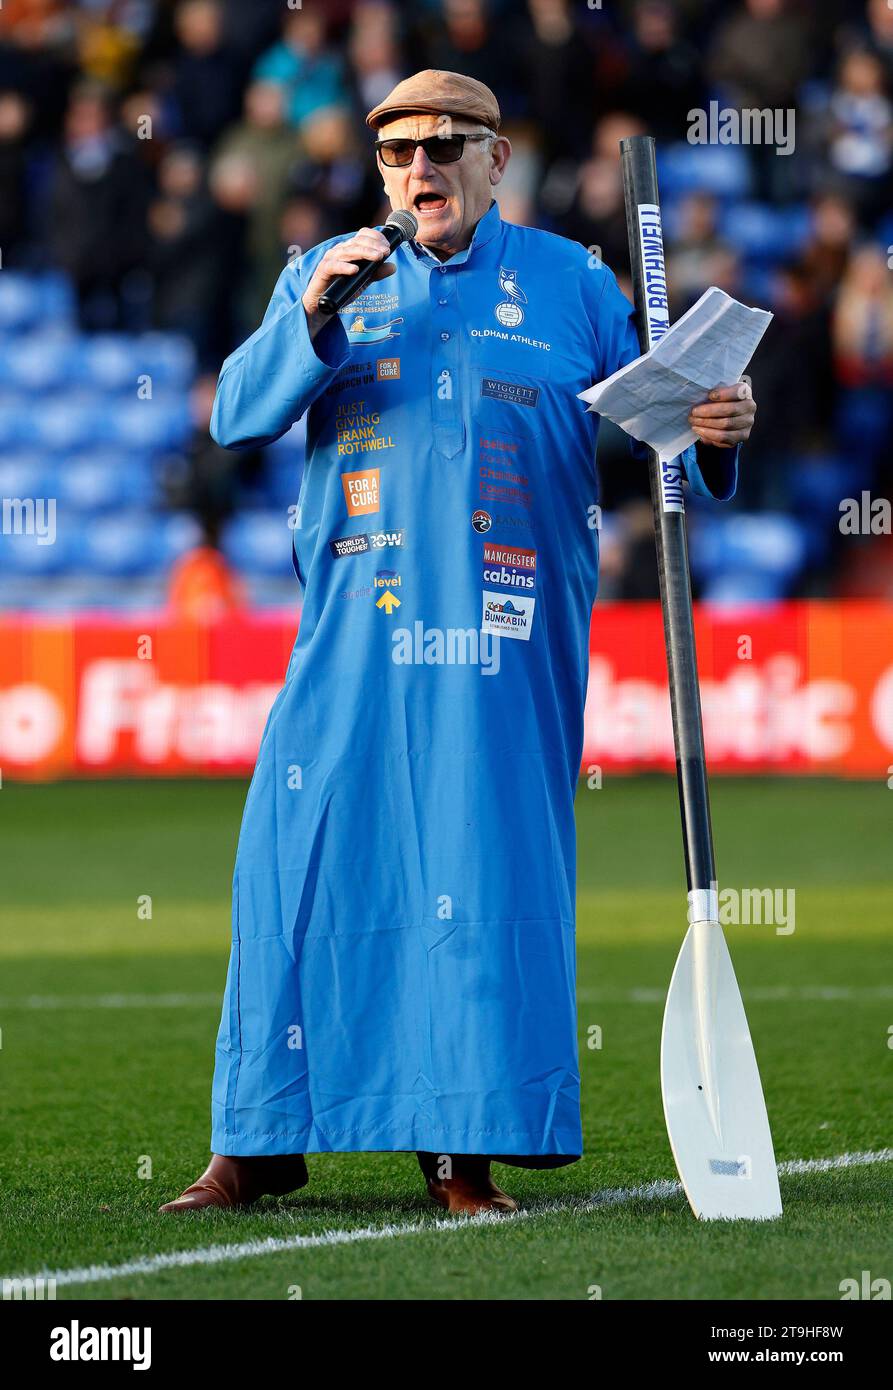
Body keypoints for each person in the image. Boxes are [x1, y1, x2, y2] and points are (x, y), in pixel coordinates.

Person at [160, 70, 757, 1217]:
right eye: (396, 152)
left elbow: (671, 437)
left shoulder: (573, 284)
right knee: (291, 866)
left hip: (505, 640)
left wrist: (715, 423)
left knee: (477, 877)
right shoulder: (326, 272)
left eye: (445, 146)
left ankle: (461, 1151)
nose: (419, 169)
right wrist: (312, 314)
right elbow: (234, 415)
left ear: (496, 160)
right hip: (349, 638)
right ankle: (257, 1137)